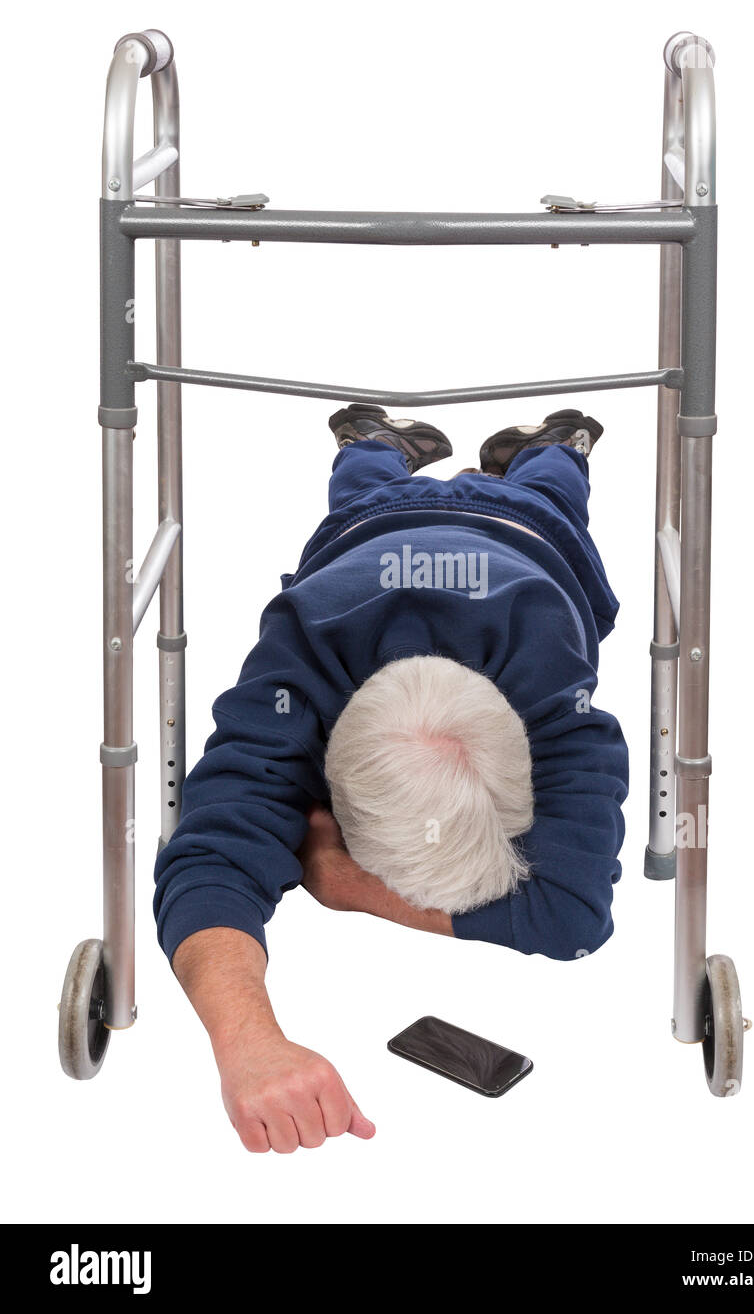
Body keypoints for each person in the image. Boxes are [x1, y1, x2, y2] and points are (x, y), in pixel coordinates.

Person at [154, 404, 629, 1153]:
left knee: (545, 490)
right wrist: (247, 1044)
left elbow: (577, 918)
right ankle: (406, 446)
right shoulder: (298, 669)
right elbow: (208, 861)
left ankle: (534, 448)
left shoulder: (558, 716)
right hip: (390, 527)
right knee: (387, 489)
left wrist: (350, 884)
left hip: (505, 534)